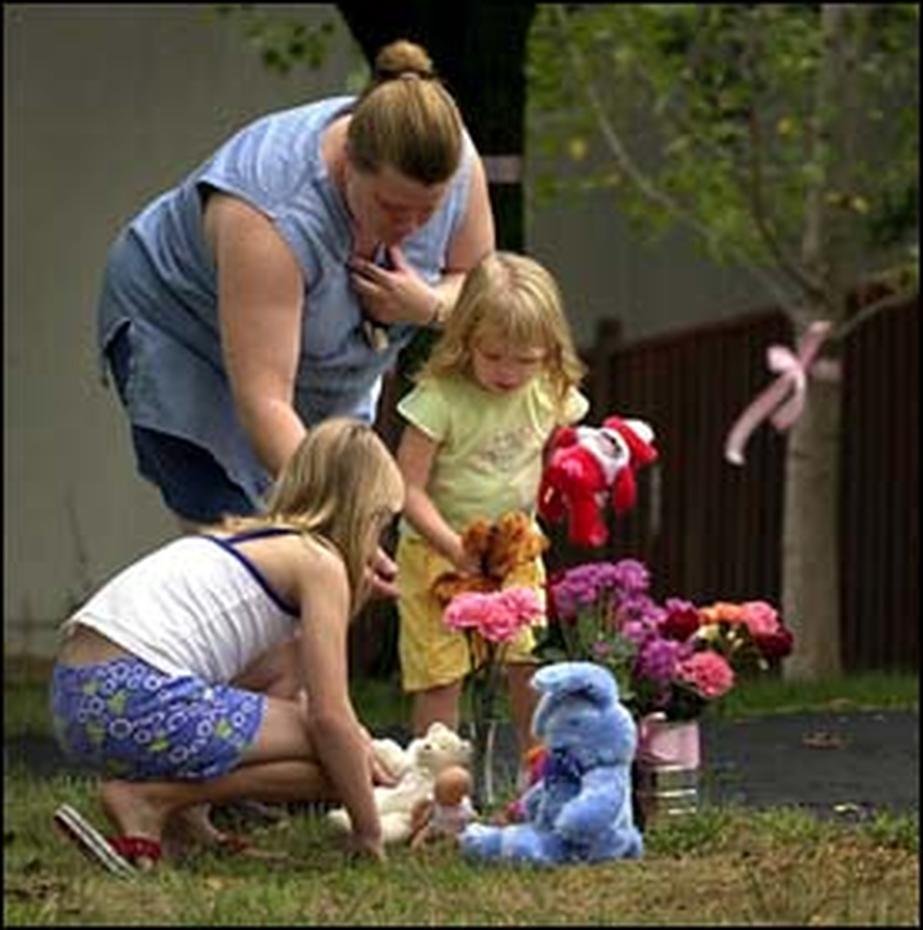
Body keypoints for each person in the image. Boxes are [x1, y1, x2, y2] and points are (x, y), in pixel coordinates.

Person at [97, 38, 494, 539]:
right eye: (393, 208)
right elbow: (265, 403)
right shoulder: (271, 215)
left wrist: (429, 305)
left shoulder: (455, 160)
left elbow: (481, 288)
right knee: (255, 544)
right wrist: (337, 522)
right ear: (349, 161)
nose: (412, 226)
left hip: (325, 368)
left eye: (429, 211)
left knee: (334, 543)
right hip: (186, 335)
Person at [50, 418, 403, 873]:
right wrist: (369, 831)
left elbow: (284, 672)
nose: (379, 540)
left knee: (295, 682)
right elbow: (330, 718)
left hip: (79, 700)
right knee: (346, 756)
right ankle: (151, 800)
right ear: (364, 515)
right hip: (133, 699)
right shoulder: (320, 563)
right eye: (381, 523)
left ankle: (187, 823)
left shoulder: (246, 538)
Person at [393, 251, 589, 777]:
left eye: (526, 360)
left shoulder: (549, 390)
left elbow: (563, 453)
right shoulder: (440, 398)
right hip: (437, 551)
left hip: (514, 548)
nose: (509, 372)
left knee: (528, 663)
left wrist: (585, 470)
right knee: (441, 674)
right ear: (465, 340)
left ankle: (537, 777)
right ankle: (438, 788)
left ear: (549, 350)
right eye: (494, 355)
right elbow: (405, 488)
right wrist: (452, 547)